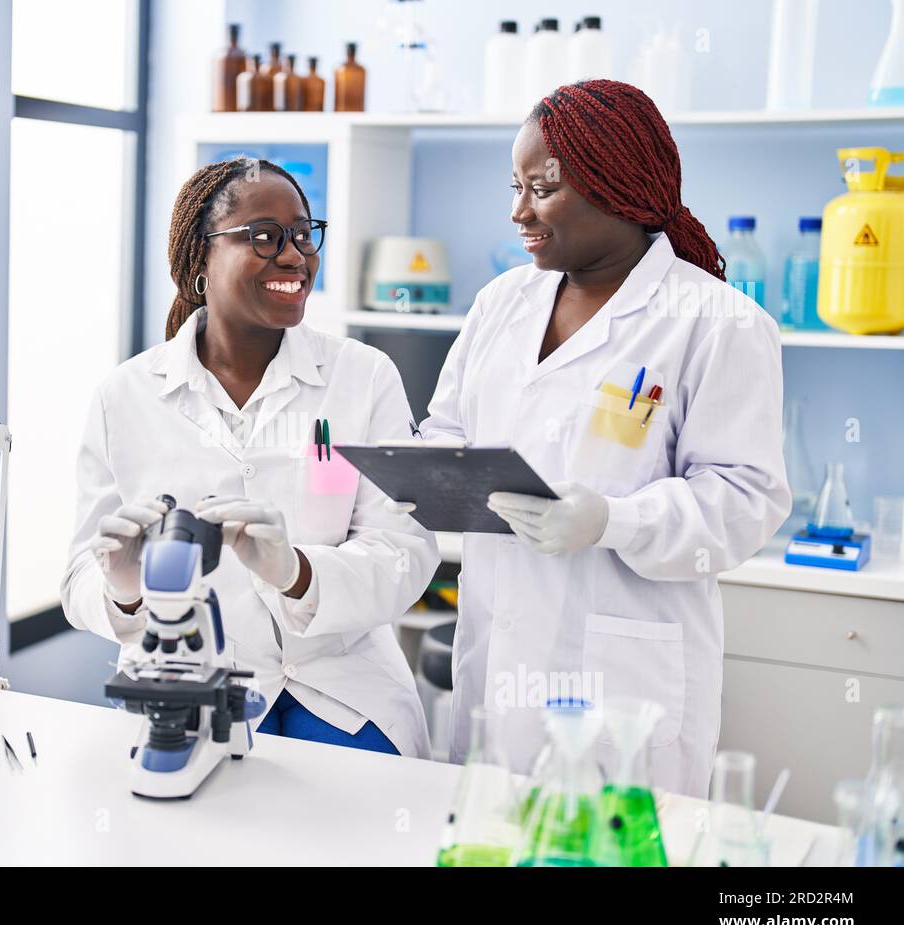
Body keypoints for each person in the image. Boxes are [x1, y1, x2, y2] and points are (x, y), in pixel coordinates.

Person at [415, 80, 790, 796]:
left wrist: (609, 520)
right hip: (498, 657)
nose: (518, 211)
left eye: (542, 189)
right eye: (515, 186)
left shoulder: (717, 322)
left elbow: (744, 505)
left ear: (619, 188)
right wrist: (417, 472)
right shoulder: (503, 302)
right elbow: (450, 429)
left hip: (624, 681)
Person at [61, 158, 439, 758]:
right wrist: (123, 588)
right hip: (186, 690)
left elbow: (406, 551)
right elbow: (81, 573)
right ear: (198, 261)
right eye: (263, 237)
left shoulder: (362, 377)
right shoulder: (124, 396)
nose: (294, 256)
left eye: (302, 234)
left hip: (343, 693)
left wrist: (298, 573)